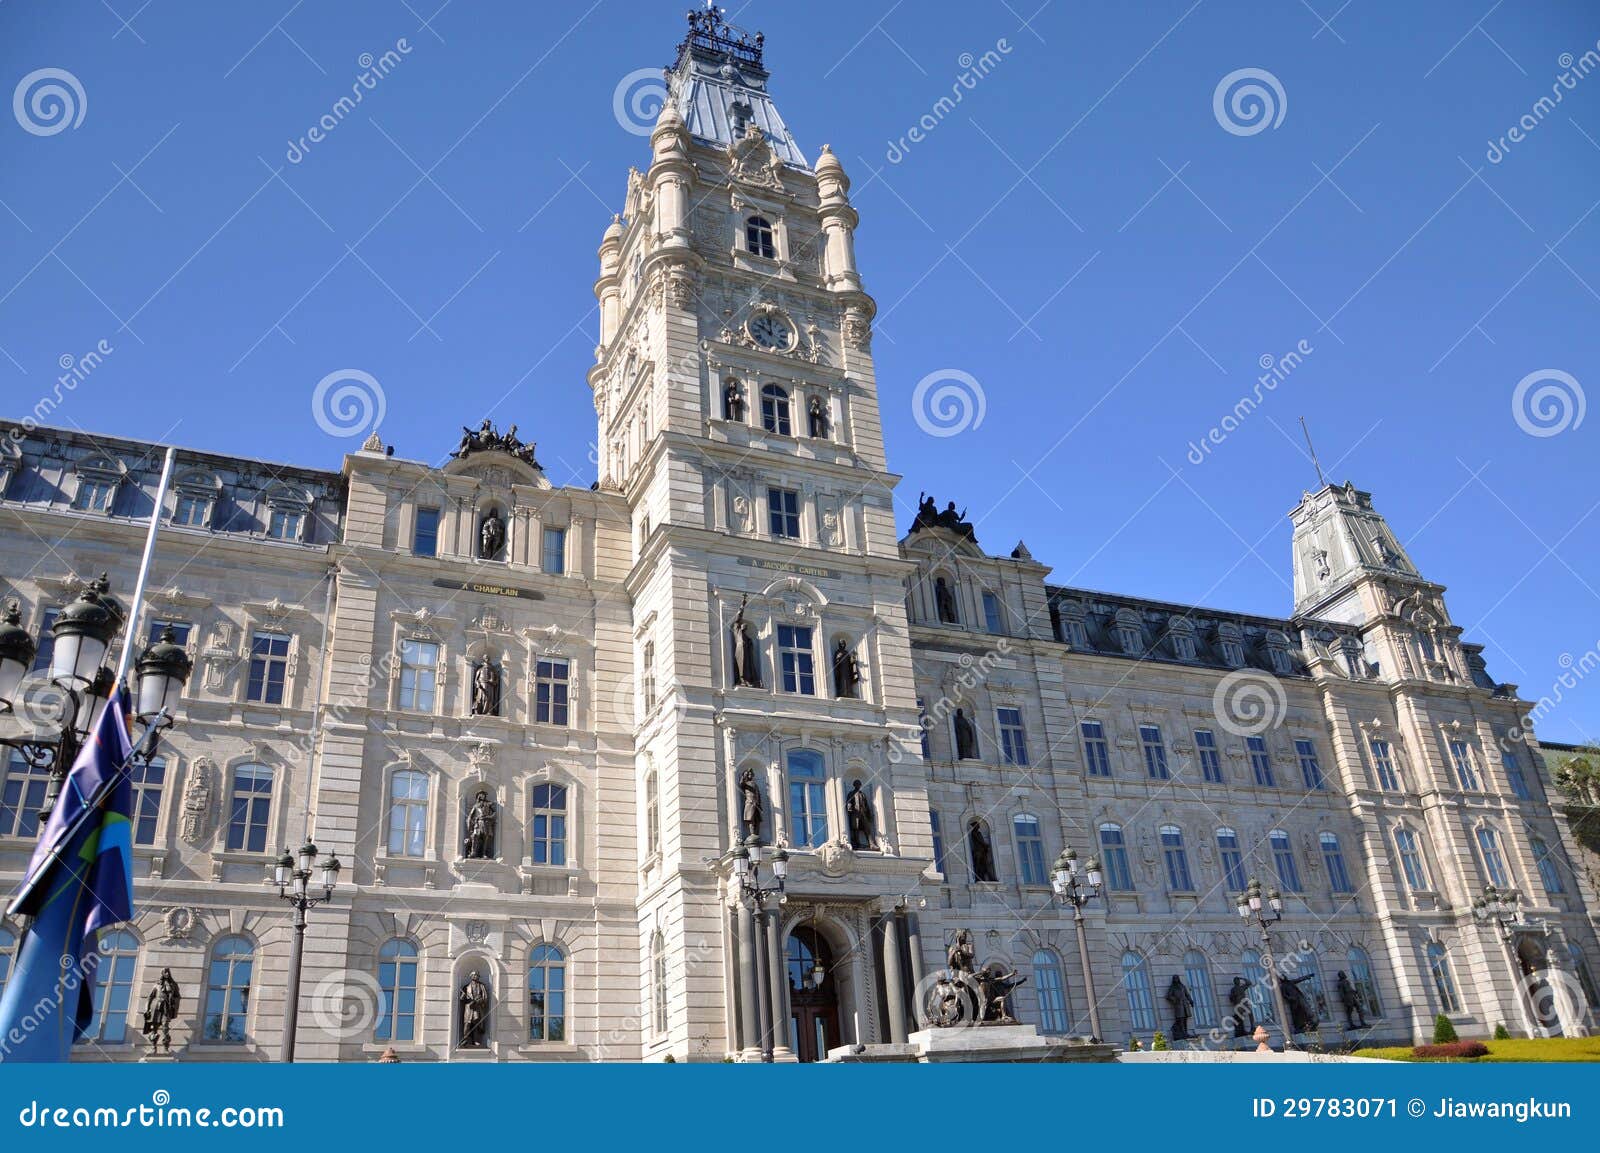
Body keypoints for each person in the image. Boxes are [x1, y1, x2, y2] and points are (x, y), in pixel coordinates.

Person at [459, 972, 490, 1048]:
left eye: (477, 975)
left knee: (476, 1024)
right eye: (475, 975)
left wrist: (479, 1000)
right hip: (469, 1008)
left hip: (477, 1007)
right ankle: (465, 1040)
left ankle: (476, 1040)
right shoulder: (466, 987)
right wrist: (463, 996)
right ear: (471, 976)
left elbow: (485, 998)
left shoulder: (482, 986)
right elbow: (462, 999)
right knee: (467, 1023)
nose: (476, 976)